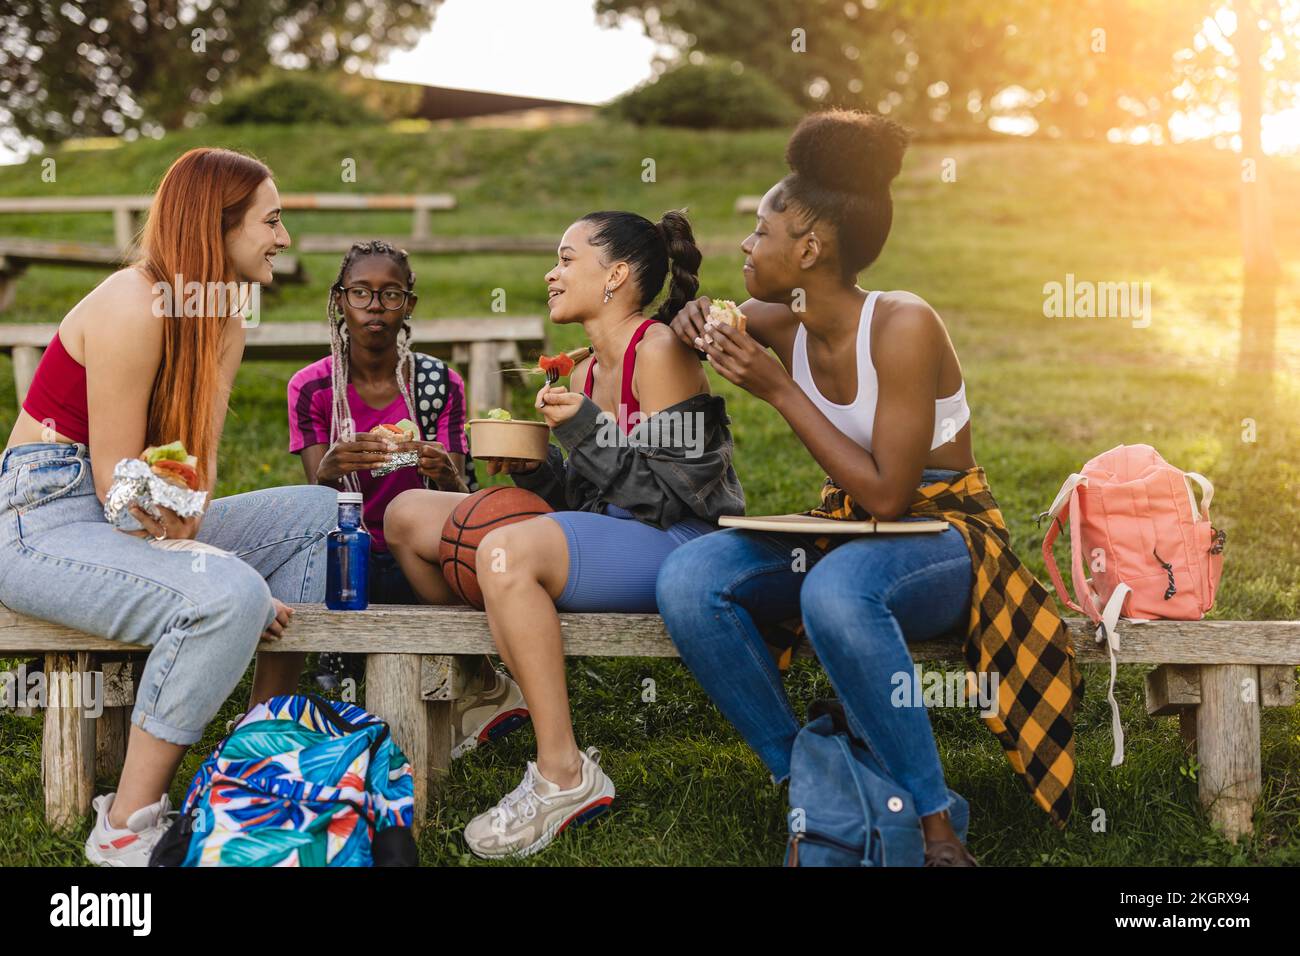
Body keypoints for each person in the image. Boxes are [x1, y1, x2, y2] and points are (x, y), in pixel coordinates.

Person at [655, 110, 1083, 866]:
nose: (746, 248)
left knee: (836, 592)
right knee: (690, 578)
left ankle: (932, 823)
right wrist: (692, 319)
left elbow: (891, 496)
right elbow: (709, 323)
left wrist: (781, 394)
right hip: (850, 528)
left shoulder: (903, 324)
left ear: (811, 248)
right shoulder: (781, 319)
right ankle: (817, 789)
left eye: (760, 231)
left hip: (943, 534)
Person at [0, 147, 340, 866]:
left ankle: (254, 756)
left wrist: (200, 543)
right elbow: (120, 493)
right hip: (42, 520)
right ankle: (127, 825)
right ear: (215, 227)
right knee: (229, 594)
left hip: (123, 509)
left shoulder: (222, 318)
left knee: (318, 516)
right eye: (271, 221)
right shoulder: (133, 303)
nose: (284, 239)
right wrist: (215, 568)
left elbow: (193, 476)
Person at [384, 209, 745, 858]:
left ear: (617, 275)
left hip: (682, 543)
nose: (551, 273)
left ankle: (563, 774)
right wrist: (540, 467)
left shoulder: (658, 352)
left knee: (503, 549)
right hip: (617, 533)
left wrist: (581, 432)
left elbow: (669, 498)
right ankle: (492, 687)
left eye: (566, 258)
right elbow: (588, 499)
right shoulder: (579, 371)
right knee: (408, 515)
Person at [287, 239, 524, 753]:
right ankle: (345, 654)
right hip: (349, 557)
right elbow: (313, 500)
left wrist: (442, 470)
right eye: (361, 294)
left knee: (412, 529)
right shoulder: (313, 388)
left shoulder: (439, 383)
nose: (375, 308)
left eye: (390, 295)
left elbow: (461, 497)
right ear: (339, 301)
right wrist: (330, 467)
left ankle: (476, 675)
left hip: (421, 555)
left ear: (409, 305)